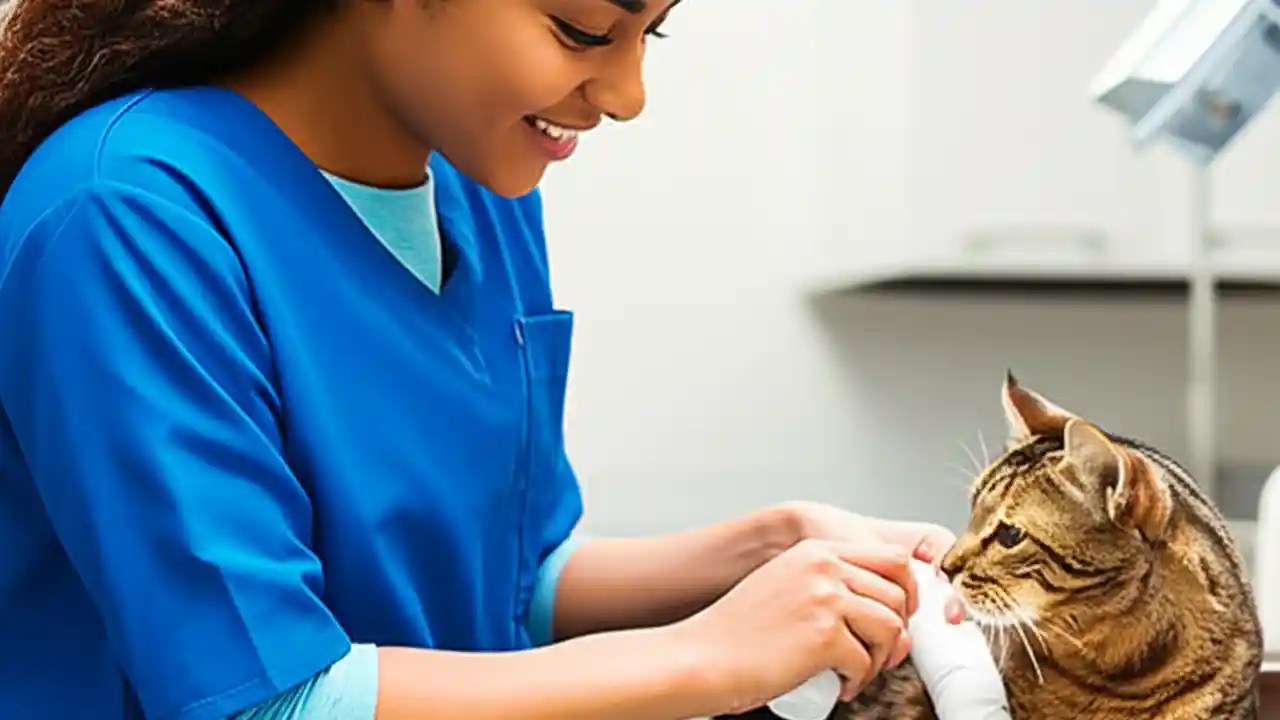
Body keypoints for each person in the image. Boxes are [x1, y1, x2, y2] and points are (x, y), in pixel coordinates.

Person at [0, 1, 994, 718]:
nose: (626, 93)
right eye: (581, 31)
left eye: (650, 33)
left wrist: (765, 549)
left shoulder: (483, 194)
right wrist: (710, 657)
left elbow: (506, 581)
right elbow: (266, 700)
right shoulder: (126, 219)